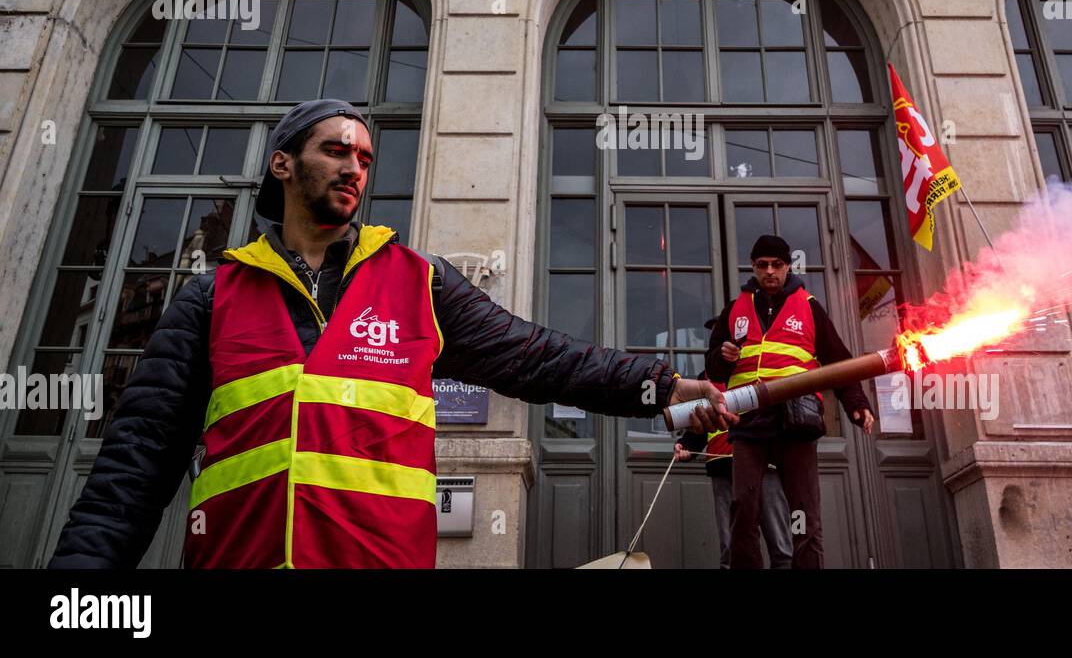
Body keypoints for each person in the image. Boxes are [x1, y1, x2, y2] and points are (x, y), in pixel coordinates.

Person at [49, 99, 734, 569]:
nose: (355, 168)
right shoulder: (212, 298)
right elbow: (133, 467)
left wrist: (664, 384)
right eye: (335, 151)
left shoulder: (418, 281)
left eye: (366, 158)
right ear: (283, 164)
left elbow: (538, 358)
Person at [706, 234, 874, 570]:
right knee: (743, 511)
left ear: (787, 267)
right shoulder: (735, 308)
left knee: (802, 514)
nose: (769, 271)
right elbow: (712, 367)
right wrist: (722, 357)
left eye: (777, 265)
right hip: (749, 425)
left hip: (797, 423)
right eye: (762, 265)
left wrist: (856, 402)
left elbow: (837, 360)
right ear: (753, 267)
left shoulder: (809, 305)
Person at [674, 360, 792, 569]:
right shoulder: (705, 378)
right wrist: (685, 445)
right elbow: (701, 425)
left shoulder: (758, 365)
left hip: (764, 466)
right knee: (730, 547)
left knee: (780, 545)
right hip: (722, 468)